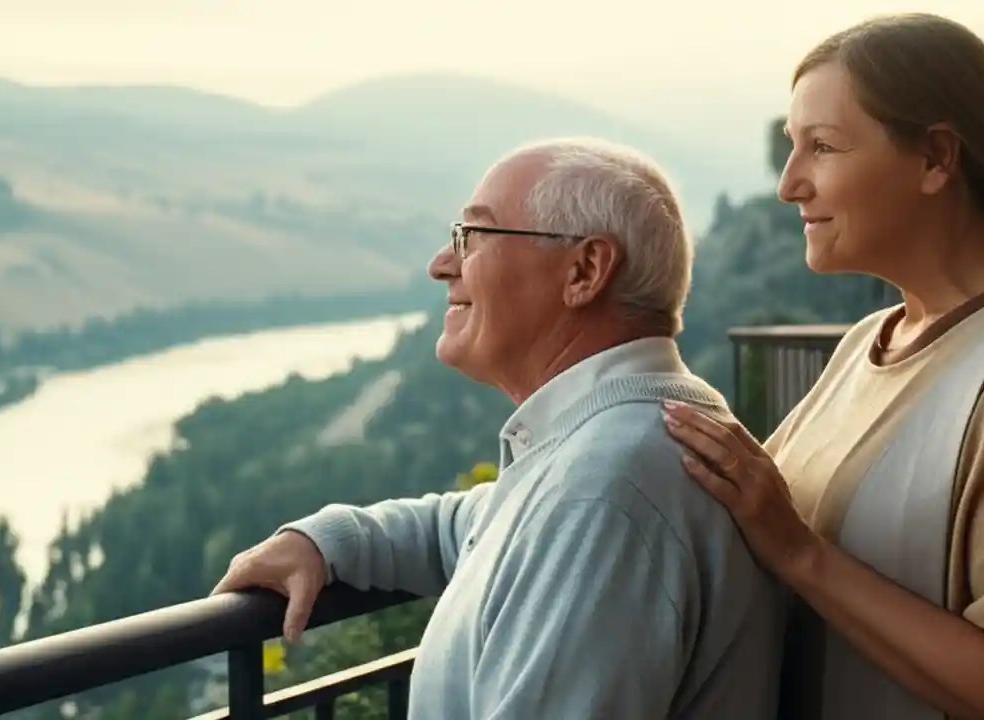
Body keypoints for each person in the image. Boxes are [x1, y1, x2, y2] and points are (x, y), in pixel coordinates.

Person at [212, 138, 786, 718]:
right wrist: (329, 540)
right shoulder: (614, 440)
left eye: (473, 236)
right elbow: (468, 526)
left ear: (584, 271)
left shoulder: (604, 489)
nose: (442, 263)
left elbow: (564, 522)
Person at [661, 13, 984, 720]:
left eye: (822, 147)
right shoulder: (868, 341)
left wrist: (803, 556)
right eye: (794, 147)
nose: (790, 184)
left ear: (936, 158)